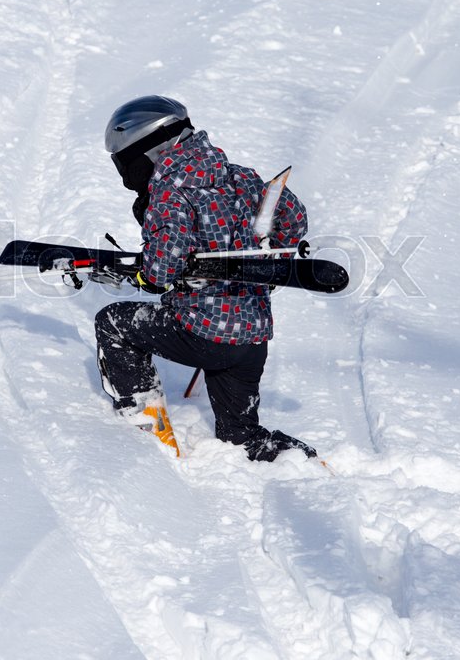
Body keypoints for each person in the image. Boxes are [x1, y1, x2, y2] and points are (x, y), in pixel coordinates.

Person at [94, 95, 316, 462]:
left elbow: (163, 265)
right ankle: (297, 463)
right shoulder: (240, 175)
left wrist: (148, 276)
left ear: (147, 152)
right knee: (240, 437)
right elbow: (293, 219)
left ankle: (146, 431)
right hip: (253, 334)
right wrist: (270, 255)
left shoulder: (169, 191)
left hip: (204, 332)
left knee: (113, 324)